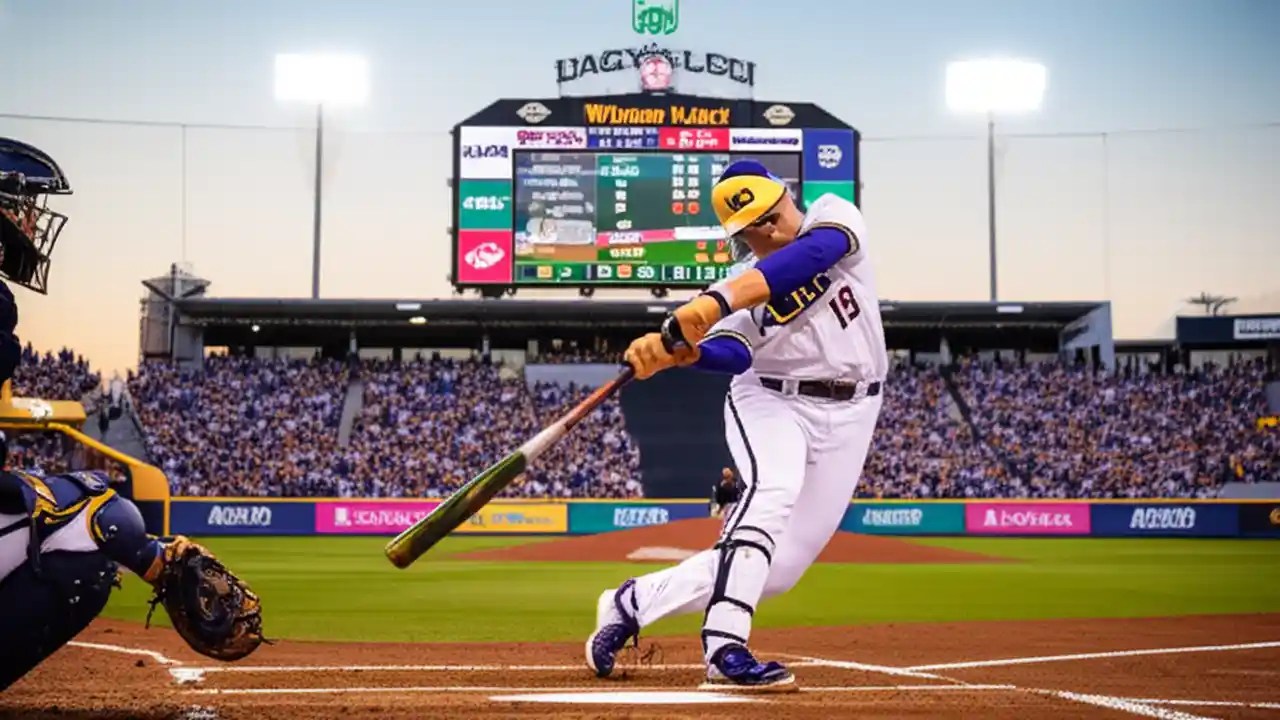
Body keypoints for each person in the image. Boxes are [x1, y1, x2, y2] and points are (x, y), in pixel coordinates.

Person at [585, 160, 888, 691]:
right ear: (740, 236)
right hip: (771, 401)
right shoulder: (733, 284)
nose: (770, 228)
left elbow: (809, 258)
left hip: (855, 411)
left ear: (789, 196)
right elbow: (733, 352)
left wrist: (712, 302)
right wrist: (684, 355)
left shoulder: (834, 216)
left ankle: (630, 603)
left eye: (774, 213)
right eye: (755, 226)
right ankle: (725, 646)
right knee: (772, 490)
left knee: (781, 569)